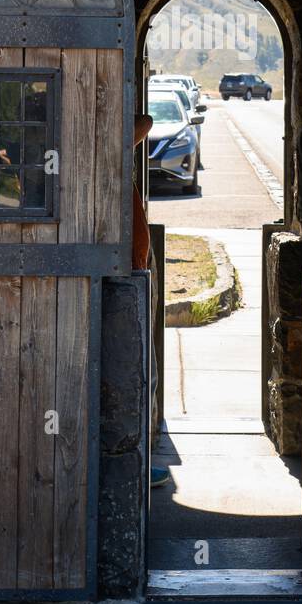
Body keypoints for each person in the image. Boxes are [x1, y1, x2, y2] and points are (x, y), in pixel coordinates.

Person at [132, 114, 169, 489]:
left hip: (134, 271)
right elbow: (143, 123)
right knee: (144, 375)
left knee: (148, 375)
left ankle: (138, 460)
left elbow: (145, 119)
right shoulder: (102, 144)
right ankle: (136, 463)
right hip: (125, 274)